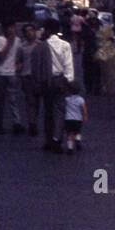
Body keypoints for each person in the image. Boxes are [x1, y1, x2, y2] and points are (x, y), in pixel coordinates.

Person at [43, 17, 75, 151]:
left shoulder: (43, 44)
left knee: (48, 111)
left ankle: (49, 139)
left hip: (46, 80)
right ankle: (58, 138)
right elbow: (68, 65)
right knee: (60, 111)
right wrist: (69, 82)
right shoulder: (65, 45)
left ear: (47, 30)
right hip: (61, 80)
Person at [0, 21, 23, 135]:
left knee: (13, 100)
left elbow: (20, 55)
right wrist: (9, 42)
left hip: (12, 73)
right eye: (8, 28)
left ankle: (17, 123)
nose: (11, 30)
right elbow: (1, 56)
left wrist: (19, 64)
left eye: (12, 27)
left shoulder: (18, 41)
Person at [17, 23, 41, 136]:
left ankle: (35, 120)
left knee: (38, 102)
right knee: (30, 101)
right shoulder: (22, 47)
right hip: (27, 76)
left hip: (40, 77)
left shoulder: (41, 45)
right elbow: (19, 61)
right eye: (27, 31)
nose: (30, 33)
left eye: (31, 30)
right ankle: (32, 123)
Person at [62, 80, 87, 153]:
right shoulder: (81, 99)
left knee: (69, 134)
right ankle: (78, 140)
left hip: (68, 119)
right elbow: (84, 109)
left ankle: (70, 148)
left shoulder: (67, 99)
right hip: (78, 119)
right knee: (78, 131)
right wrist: (85, 116)